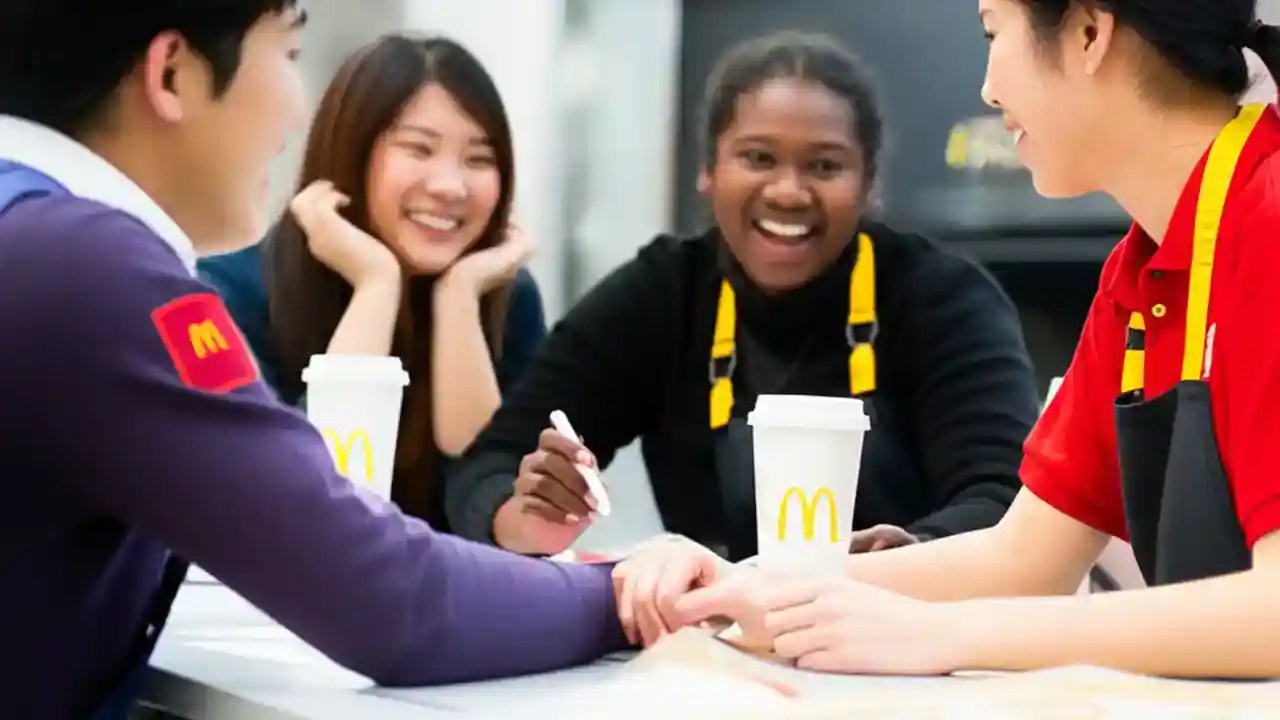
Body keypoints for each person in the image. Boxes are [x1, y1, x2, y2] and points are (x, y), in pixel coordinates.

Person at [612, 0, 1280, 679]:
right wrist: (750, 586)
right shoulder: (1141, 275)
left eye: (995, 33)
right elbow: (1023, 560)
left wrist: (942, 634)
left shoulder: (1271, 219)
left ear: (1087, 32)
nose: (988, 87)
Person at [0, 3, 626, 717]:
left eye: (478, 157)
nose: (298, 110)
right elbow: (377, 594)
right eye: (289, 56)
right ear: (171, 72)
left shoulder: (34, 233)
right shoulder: (89, 268)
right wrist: (627, 591)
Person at [446, 31, 1040, 570]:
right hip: (725, 646)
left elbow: (1009, 501)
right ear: (708, 171)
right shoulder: (663, 294)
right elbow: (487, 467)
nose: (787, 191)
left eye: (825, 166)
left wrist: (898, 560)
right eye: (758, 157)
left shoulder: (942, 297)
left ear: (868, 186)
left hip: (913, 634)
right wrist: (524, 516)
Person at [198, 35, 546, 525]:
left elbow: (497, 507)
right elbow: (310, 502)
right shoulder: (231, 292)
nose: (450, 185)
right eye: (419, 149)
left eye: (479, 159)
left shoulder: (508, 297)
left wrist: (460, 301)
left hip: (460, 596)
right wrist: (376, 286)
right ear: (352, 153)